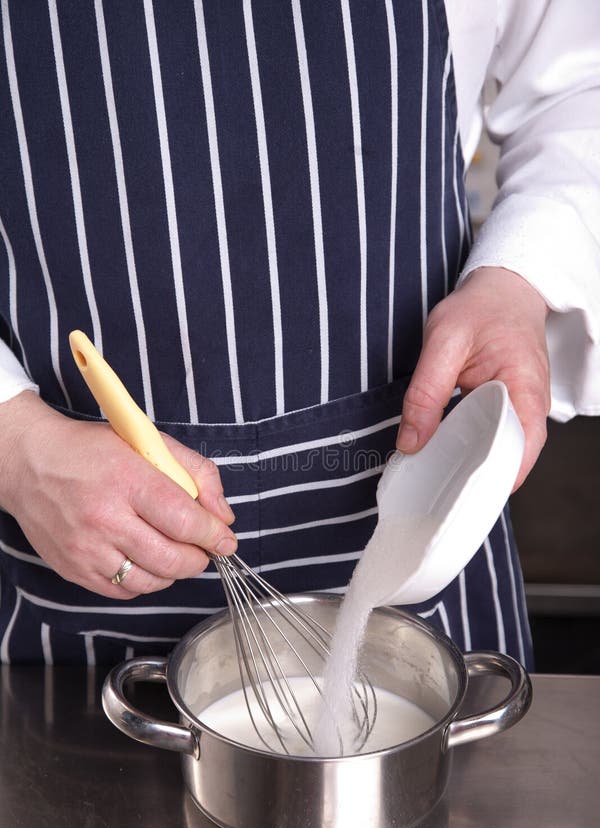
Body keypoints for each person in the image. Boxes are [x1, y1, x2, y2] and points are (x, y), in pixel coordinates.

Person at [0, 1, 599, 666]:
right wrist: (17, 445)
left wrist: (520, 276)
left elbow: (580, 88)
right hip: (69, 621)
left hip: (433, 552)